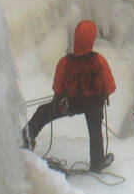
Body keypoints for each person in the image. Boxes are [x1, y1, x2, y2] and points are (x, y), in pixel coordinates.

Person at [22, 20, 116, 172]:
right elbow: (111, 87)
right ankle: (97, 161)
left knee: (42, 113)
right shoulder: (100, 61)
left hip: (68, 105)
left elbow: (57, 88)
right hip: (94, 105)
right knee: (95, 132)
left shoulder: (65, 63)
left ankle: (26, 139)